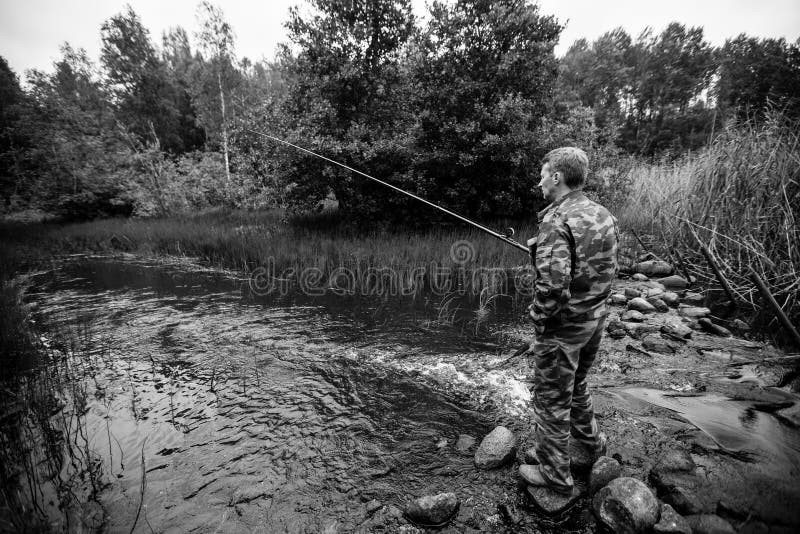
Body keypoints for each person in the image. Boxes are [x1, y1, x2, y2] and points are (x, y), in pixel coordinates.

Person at [519, 146, 619, 495]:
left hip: (564, 328)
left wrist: (537, 320)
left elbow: (552, 287)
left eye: (544, 173)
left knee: (550, 399)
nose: (540, 180)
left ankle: (555, 475)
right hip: (596, 320)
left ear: (557, 177)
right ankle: (592, 446)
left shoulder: (555, 221)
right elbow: (607, 270)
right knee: (576, 386)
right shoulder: (602, 213)